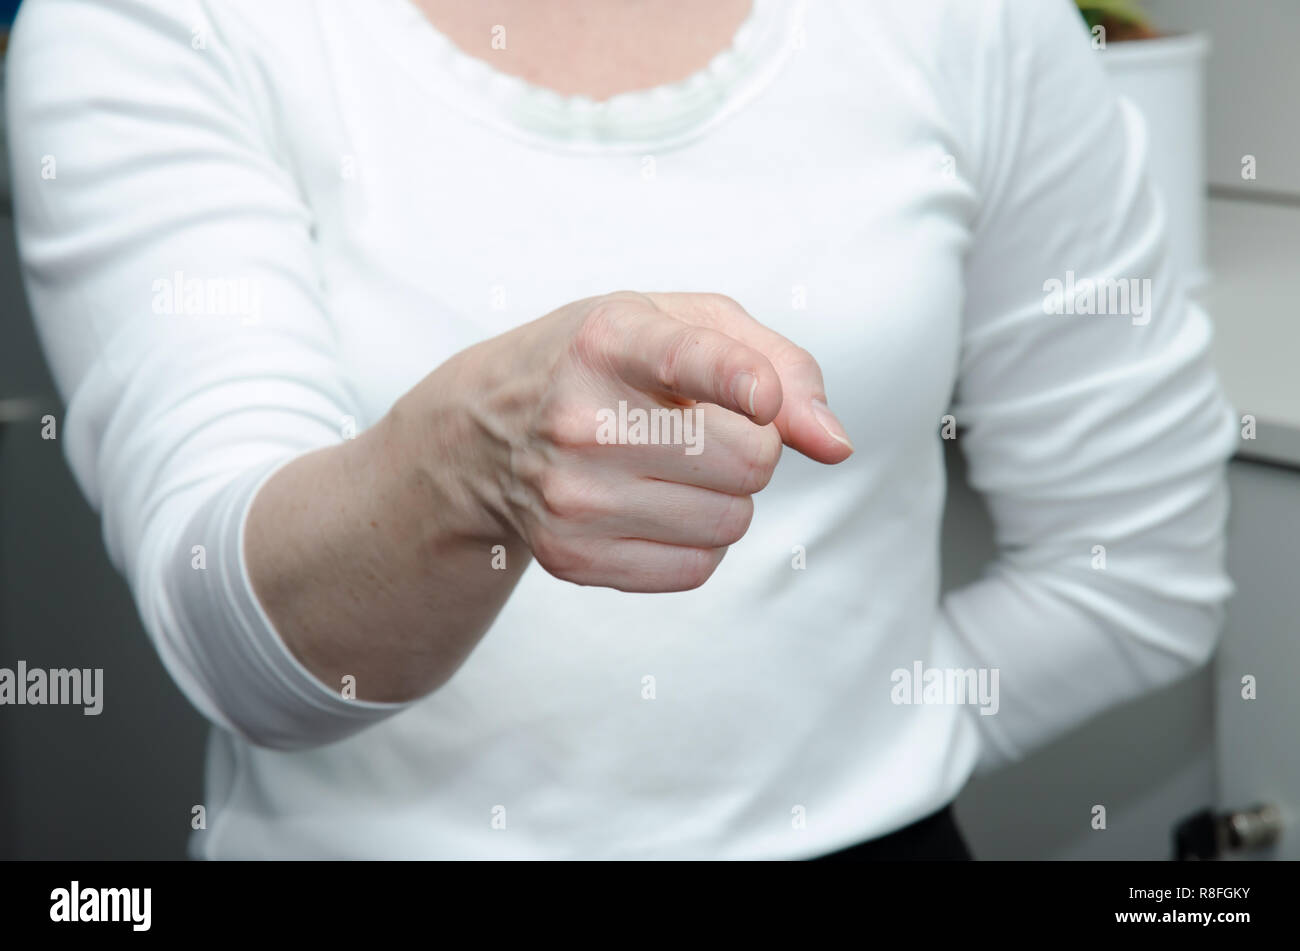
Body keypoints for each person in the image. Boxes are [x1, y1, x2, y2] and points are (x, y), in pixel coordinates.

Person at [5, 0, 1237, 859]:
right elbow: (237, 640)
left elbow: (1135, 565)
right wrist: (468, 464)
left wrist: (866, 752)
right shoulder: (159, 19)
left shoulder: (965, 18)